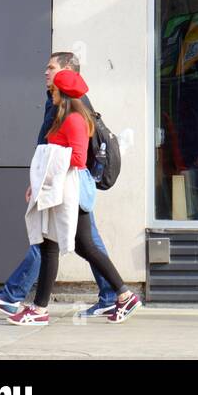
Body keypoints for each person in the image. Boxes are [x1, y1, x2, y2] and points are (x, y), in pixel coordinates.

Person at [0, 52, 119, 318]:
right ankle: (113, 294)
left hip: (68, 183)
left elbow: (72, 152)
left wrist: (44, 176)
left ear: (67, 73)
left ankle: (18, 297)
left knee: (56, 242)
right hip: (61, 181)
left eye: (51, 67)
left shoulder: (73, 105)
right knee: (79, 243)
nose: (46, 72)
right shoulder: (58, 101)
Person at [11, 69, 141, 325]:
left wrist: (48, 163)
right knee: (72, 246)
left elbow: (79, 159)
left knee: (58, 246)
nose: (51, 94)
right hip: (62, 187)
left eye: (53, 90)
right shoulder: (66, 116)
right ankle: (123, 295)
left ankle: (40, 310)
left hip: (70, 189)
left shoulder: (73, 120)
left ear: (62, 93)